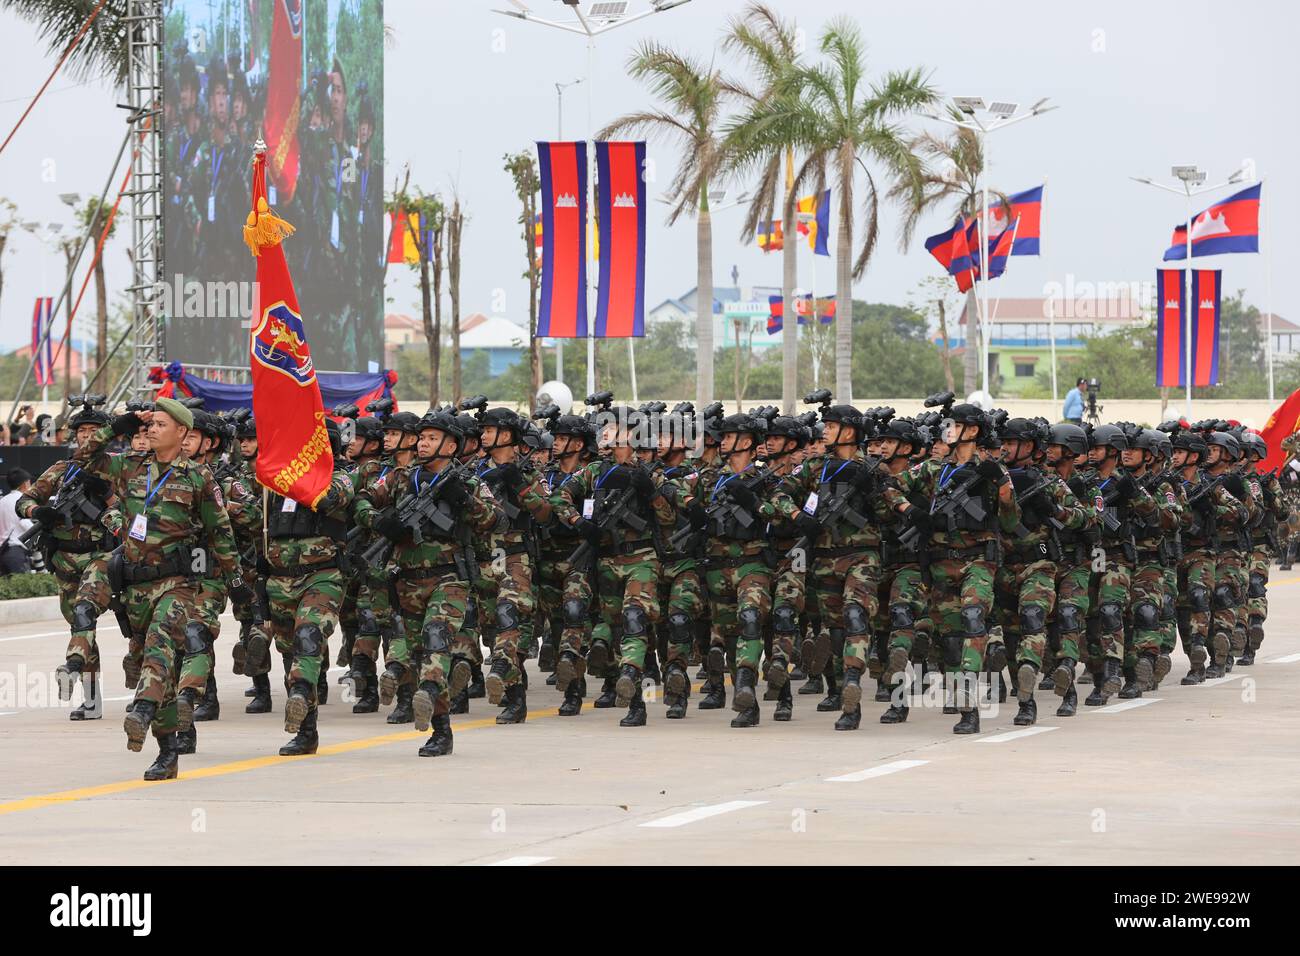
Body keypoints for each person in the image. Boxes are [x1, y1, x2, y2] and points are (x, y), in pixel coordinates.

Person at [0, 469, 34, 574]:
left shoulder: (2, 501)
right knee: (24, 588)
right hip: (16, 553)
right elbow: (26, 524)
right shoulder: (22, 500)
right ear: (24, 484)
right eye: (29, 483)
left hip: (2, 552)